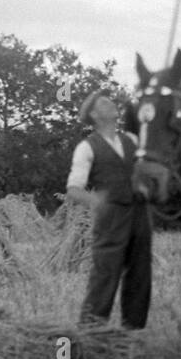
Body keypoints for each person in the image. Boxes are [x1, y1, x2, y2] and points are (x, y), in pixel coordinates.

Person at [65, 90, 153, 328]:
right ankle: (91, 331)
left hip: (139, 213)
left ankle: (133, 330)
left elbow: (144, 172)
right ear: (94, 114)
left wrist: (145, 186)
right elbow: (73, 189)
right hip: (111, 217)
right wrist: (96, 202)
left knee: (140, 273)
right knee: (105, 274)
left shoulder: (132, 141)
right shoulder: (86, 147)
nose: (112, 103)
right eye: (105, 102)